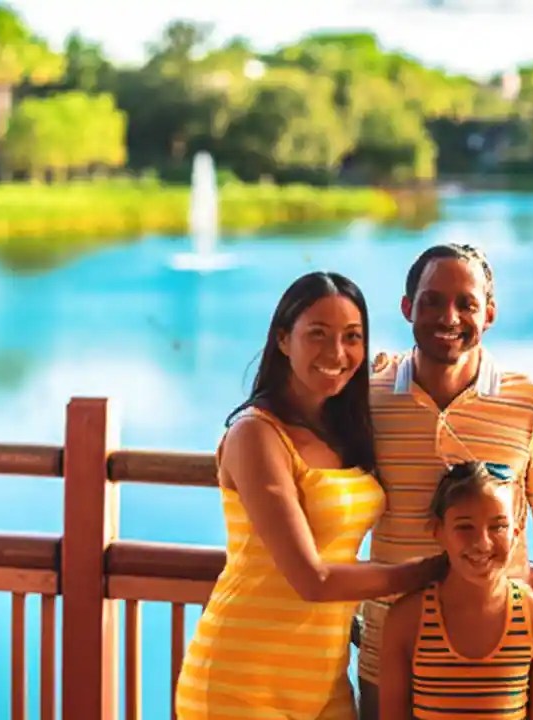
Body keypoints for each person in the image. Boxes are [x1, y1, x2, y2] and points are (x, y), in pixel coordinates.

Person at [174, 271, 446, 720]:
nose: (337, 353)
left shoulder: (346, 428)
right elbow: (311, 579)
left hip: (324, 682)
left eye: (352, 337)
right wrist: (429, 571)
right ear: (284, 339)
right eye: (317, 334)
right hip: (240, 683)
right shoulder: (256, 435)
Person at [358, 243, 533, 720]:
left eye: (467, 303)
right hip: (389, 645)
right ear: (407, 308)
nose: (449, 317)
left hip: (505, 659)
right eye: (432, 300)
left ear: (491, 313)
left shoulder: (532, 402)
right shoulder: (366, 398)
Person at [379, 461, 533, 720]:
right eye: (464, 527)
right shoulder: (406, 620)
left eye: (498, 526)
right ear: (438, 532)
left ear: (516, 533)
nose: (482, 543)